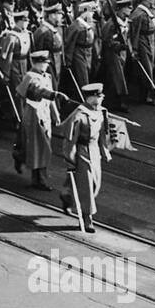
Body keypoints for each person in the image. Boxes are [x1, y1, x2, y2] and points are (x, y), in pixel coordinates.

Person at [57, 82, 113, 234]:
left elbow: (102, 133)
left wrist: (104, 150)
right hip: (82, 152)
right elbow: (70, 140)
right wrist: (70, 159)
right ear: (91, 98)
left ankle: (67, 196)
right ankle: (87, 218)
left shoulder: (101, 112)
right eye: (98, 96)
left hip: (94, 152)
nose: (101, 99)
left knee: (95, 184)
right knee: (86, 186)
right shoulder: (79, 116)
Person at [14, 49, 60, 190]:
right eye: (43, 63)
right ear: (35, 63)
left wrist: (55, 114)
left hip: (44, 114)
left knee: (40, 147)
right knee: (40, 147)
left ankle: (20, 157)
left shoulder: (47, 76)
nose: (46, 66)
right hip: (33, 114)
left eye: (46, 63)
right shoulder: (30, 76)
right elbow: (26, 92)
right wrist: (52, 94)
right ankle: (40, 180)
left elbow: (50, 99)